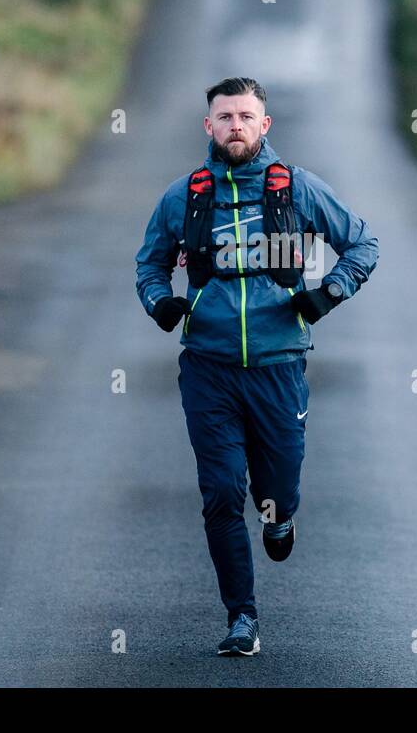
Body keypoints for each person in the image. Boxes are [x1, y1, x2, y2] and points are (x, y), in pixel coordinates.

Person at [134, 76, 378, 656]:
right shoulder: (183, 196)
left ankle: (280, 518)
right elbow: (148, 265)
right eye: (225, 117)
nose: (235, 126)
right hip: (208, 369)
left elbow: (363, 245)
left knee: (277, 488)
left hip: (278, 366)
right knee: (221, 493)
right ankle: (241, 619)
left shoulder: (296, 189)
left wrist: (328, 293)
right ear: (209, 125)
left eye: (246, 116)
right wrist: (161, 304)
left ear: (264, 126)